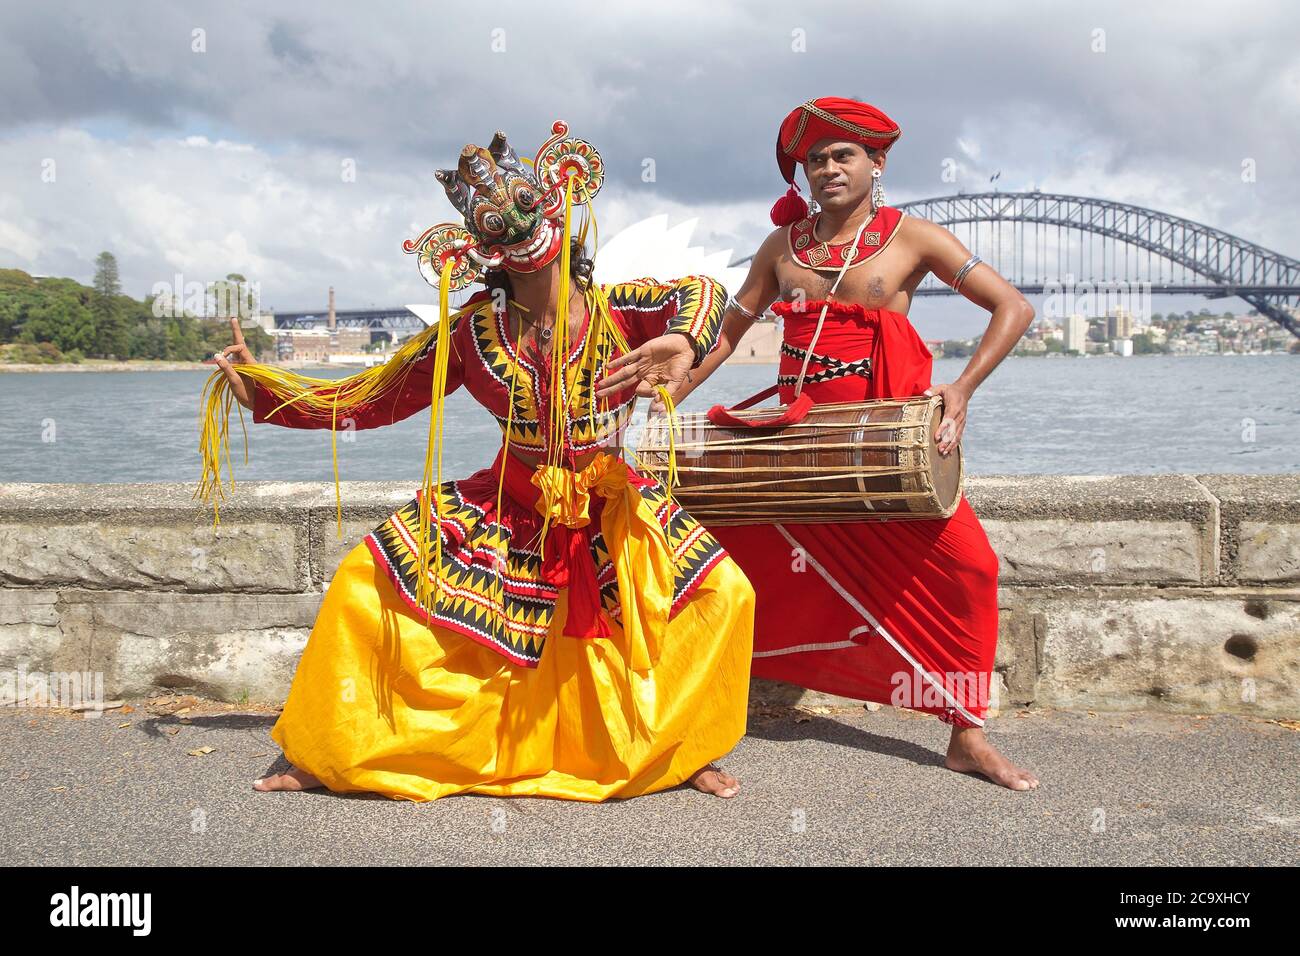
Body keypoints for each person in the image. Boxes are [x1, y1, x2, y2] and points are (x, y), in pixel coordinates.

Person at [202, 122, 755, 801]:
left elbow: (703, 290)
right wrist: (267, 392)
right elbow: (374, 397)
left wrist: (683, 339)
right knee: (362, 581)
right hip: (509, 505)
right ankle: (324, 748)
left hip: (613, 504)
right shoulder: (470, 333)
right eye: (496, 225)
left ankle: (682, 748)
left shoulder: (622, 309)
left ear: (560, 209)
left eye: (527, 209)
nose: (518, 231)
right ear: (480, 246)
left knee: (725, 595)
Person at [651, 97, 1039, 791]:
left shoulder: (914, 237)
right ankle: (688, 732)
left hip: (883, 451)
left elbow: (1013, 307)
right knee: (703, 566)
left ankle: (965, 735)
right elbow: (728, 336)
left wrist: (962, 388)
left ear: (876, 163)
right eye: (814, 160)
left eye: (842, 156)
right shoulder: (781, 248)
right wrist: (658, 405)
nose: (827, 169)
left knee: (973, 567)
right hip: (794, 444)